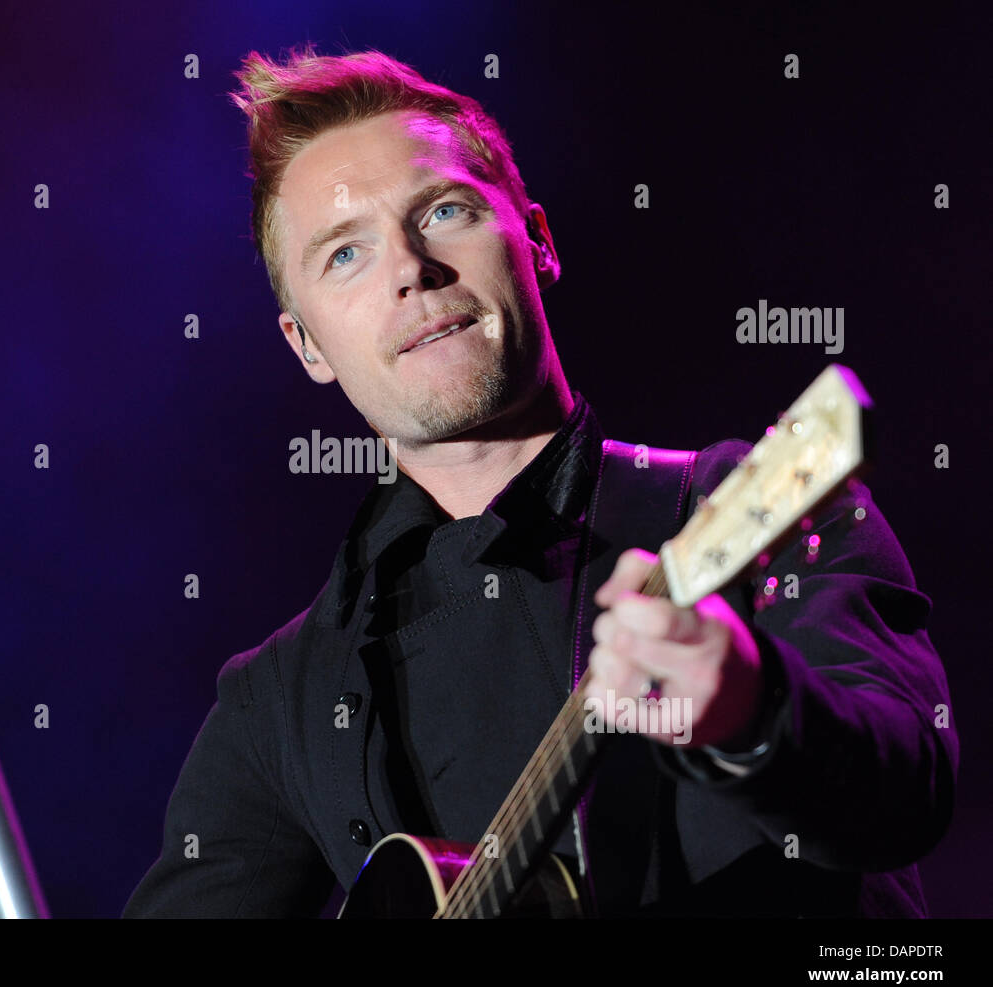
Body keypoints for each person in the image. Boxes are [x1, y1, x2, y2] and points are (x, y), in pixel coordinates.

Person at [122, 45, 957, 918]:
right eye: (344, 255)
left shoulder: (732, 504)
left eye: (445, 210)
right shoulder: (282, 697)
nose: (410, 267)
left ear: (539, 239)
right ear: (306, 346)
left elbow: (909, 787)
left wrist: (752, 711)